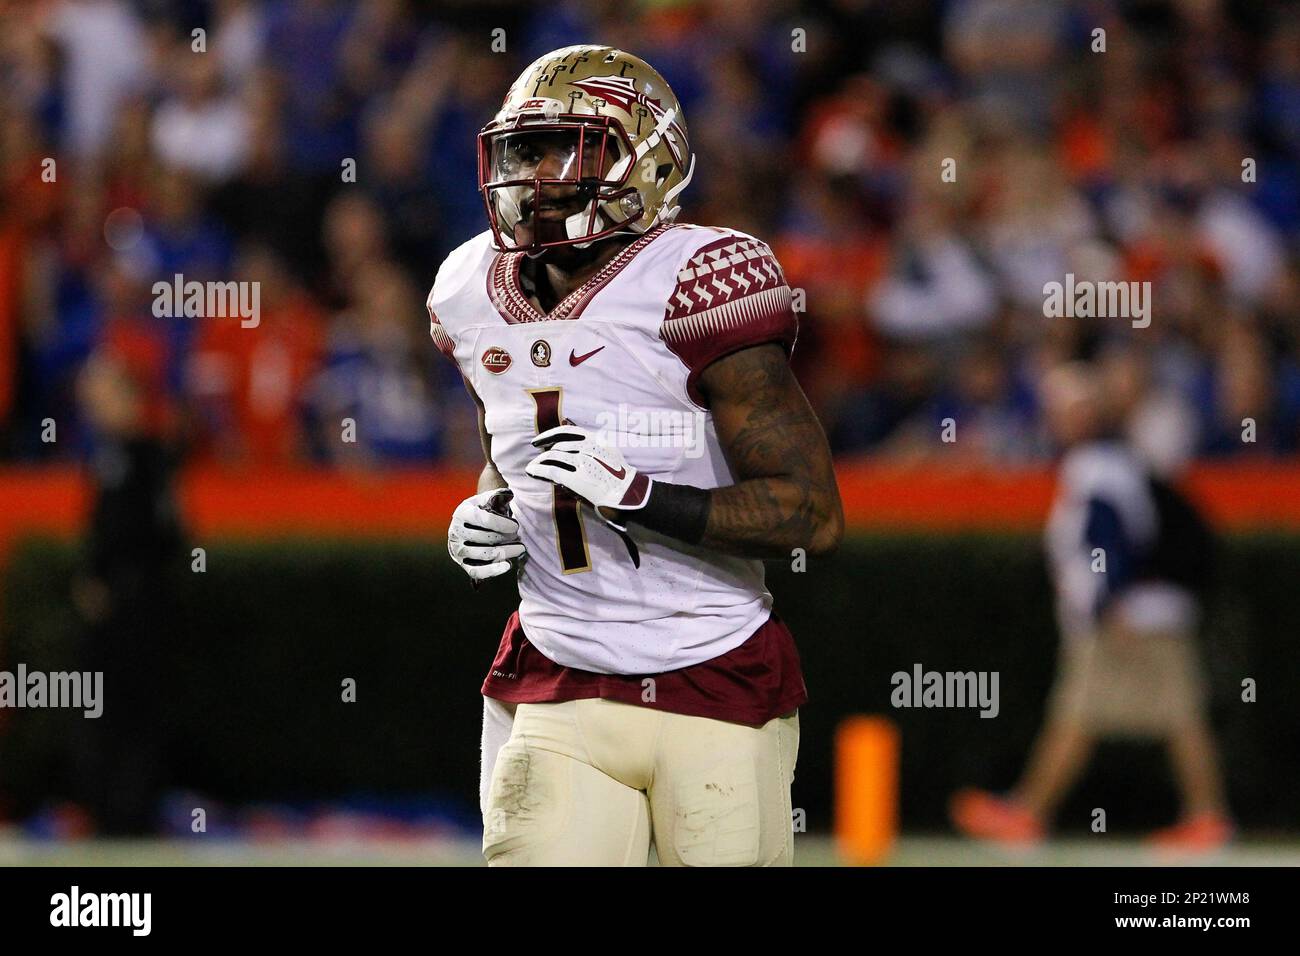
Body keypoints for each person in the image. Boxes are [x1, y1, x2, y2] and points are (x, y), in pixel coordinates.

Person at [430, 46, 843, 866]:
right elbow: (512, 452)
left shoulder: (699, 276)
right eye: (521, 151)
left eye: (562, 149)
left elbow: (810, 513)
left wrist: (642, 497)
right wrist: (490, 509)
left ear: (646, 158)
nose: (533, 175)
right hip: (559, 664)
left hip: (708, 665)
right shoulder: (469, 285)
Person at [950, 363, 1233, 851]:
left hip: (1130, 615)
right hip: (1143, 612)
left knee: (1101, 714)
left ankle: (1030, 813)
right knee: (1145, 715)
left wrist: (1107, 601)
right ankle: (1203, 817)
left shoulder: (1097, 465)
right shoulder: (1113, 459)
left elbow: (1110, 539)